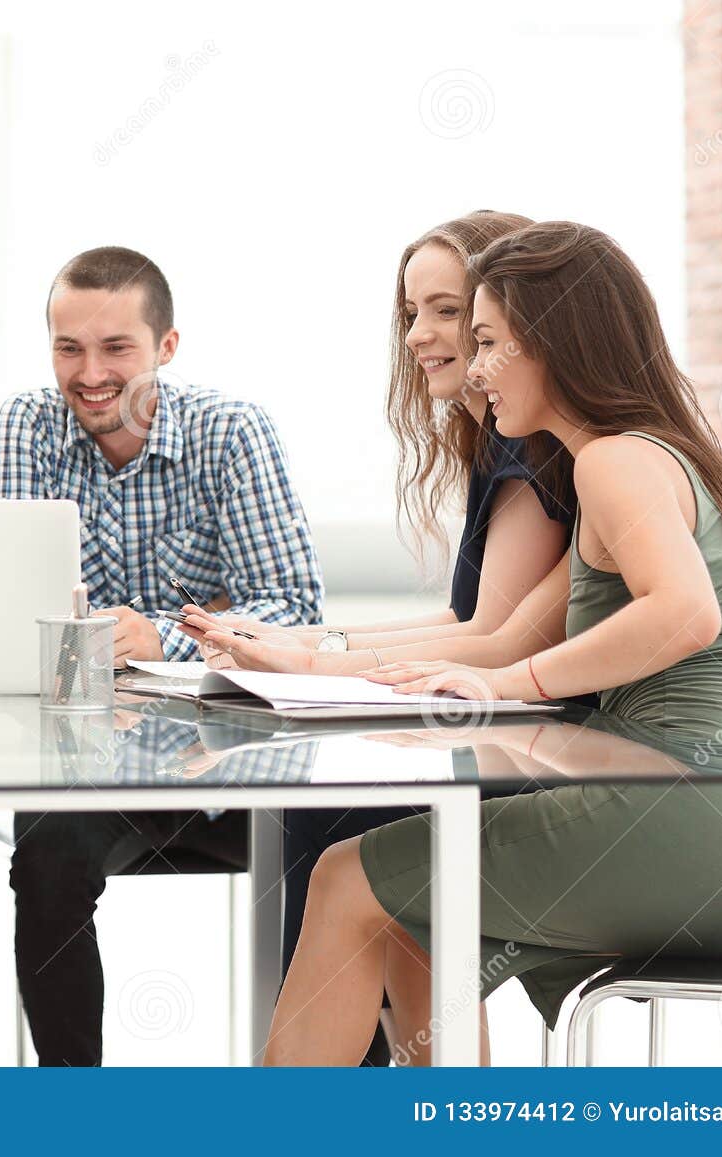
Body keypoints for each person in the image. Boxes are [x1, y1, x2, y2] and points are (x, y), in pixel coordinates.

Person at [244, 221, 722, 1065]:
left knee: (344, 876)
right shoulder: (655, 455)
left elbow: (689, 615)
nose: (472, 370)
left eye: (486, 342)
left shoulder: (611, 462)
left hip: (689, 832)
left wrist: (521, 679)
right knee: (412, 905)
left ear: (553, 342)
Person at [182, 211, 578, 1061]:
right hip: (522, 737)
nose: (420, 335)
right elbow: (466, 618)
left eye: (446, 311)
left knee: (341, 820)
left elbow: (494, 637)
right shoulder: (502, 442)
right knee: (339, 817)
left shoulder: (536, 452)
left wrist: (315, 656)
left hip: (554, 761)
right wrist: (313, 640)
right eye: (412, 312)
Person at [0, 244, 323, 1065]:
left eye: (116, 349)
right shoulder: (25, 427)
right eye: (69, 348)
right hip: (88, 759)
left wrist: (161, 633)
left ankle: (333, 1100)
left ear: (166, 348)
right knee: (48, 855)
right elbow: (18, 614)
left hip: (234, 756)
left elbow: (296, 608)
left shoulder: (231, 431)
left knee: (342, 843)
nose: (90, 373)